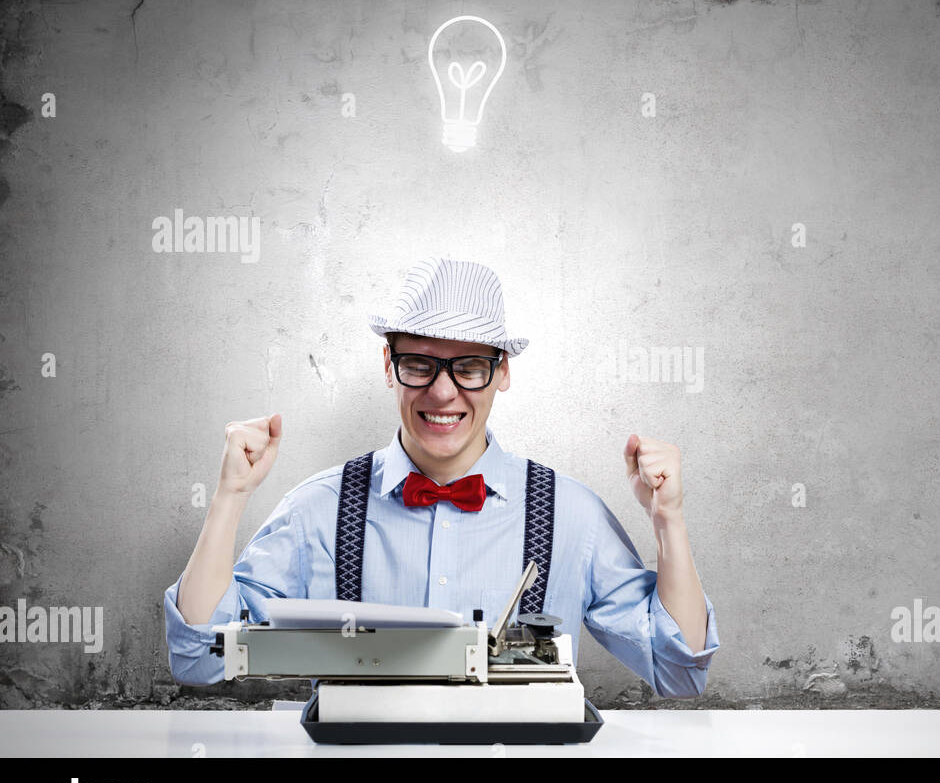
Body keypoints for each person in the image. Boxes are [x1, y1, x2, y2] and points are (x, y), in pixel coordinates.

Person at [163, 256, 719, 698]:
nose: (443, 392)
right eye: (420, 364)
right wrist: (229, 497)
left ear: (502, 373)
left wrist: (668, 522)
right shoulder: (318, 508)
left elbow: (679, 671)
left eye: (470, 367)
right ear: (389, 366)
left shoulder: (573, 515)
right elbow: (197, 657)